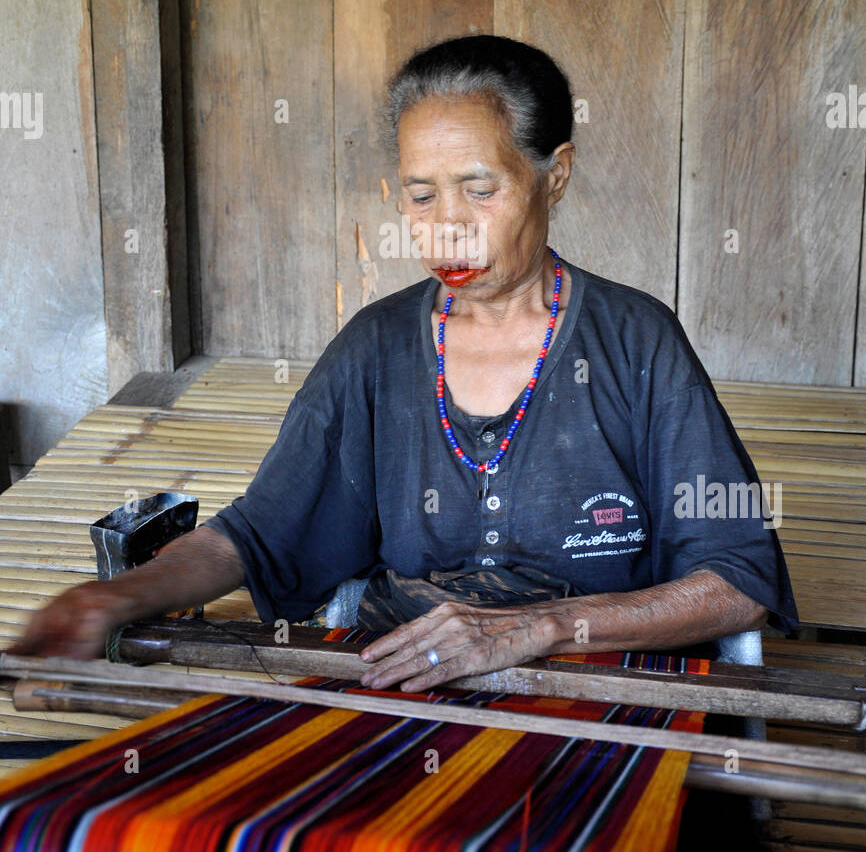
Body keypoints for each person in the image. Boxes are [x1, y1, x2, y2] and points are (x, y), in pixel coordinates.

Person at [8, 35, 797, 692]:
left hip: (591, 691)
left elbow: (739, 578)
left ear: (555, 174)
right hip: (401, 693)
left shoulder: (637, 343)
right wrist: (111, 600)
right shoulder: (377, 348)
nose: (446, 228)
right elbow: (259, 534)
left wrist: (540, 628)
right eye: (422, 198)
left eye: (478, 190)